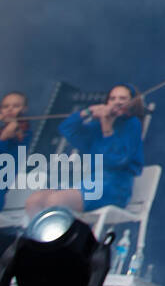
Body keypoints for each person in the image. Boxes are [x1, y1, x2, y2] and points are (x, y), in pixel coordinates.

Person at [25, 84, 144, 215]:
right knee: (34, 201)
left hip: (115, 187)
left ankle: (63, 234)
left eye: (122, 98)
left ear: (132, 102)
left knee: (56, 200)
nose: (117, 102)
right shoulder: (96, 127)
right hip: (90, 182)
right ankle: (36, 234)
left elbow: (116, 159)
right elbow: (67, 129)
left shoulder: (132, 124)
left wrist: (107, 128)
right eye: (112, 98)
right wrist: (87, 112)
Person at [1, 91, 30, 210]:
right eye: (5, 106)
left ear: (24, 109)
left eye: (16, 106)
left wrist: (6, 135)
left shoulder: (23, 132)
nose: (10, 109)